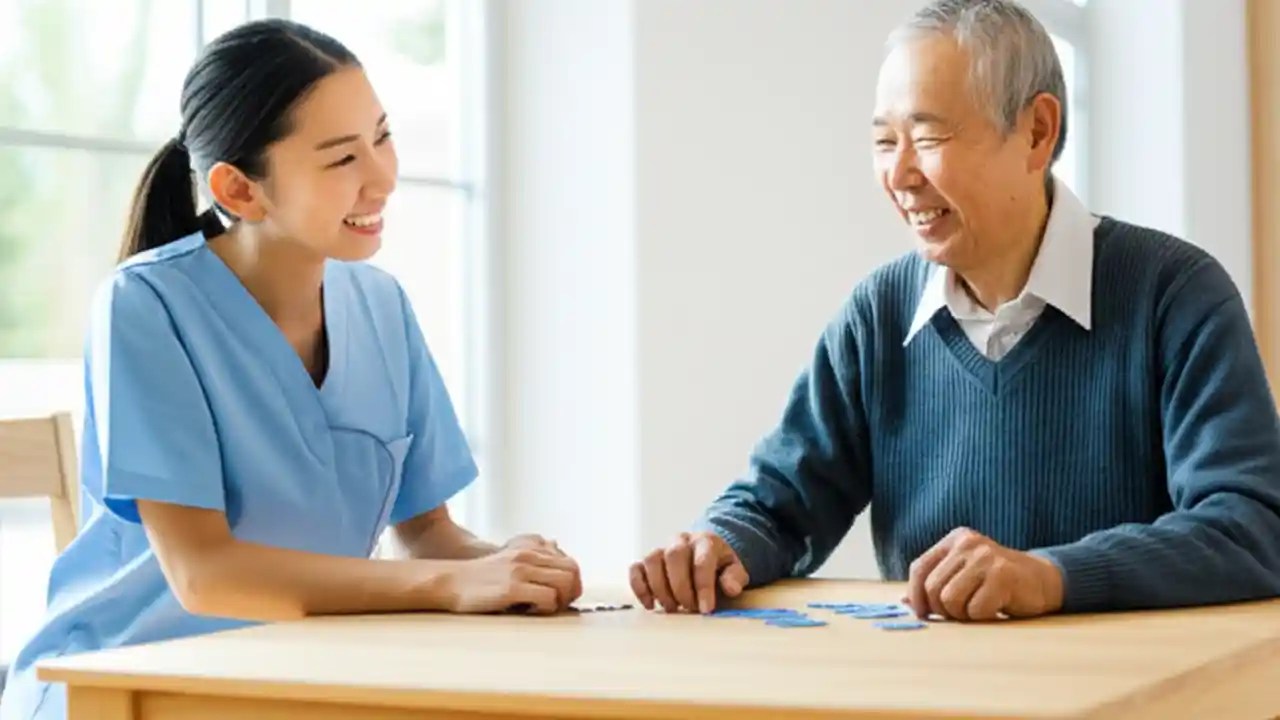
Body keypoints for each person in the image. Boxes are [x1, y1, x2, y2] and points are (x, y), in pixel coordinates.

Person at [0, 19, 581, 720]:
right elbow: (204, 574)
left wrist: (509, 568)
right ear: (240, 190)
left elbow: (428, 534)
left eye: (383, 137)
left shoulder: (382, 306)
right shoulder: (145, 306)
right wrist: (449, 586)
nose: (383, 178)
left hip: (291, 680)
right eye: (343, 159)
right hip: (125, 682)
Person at [630, 0, 1280, 621]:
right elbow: (779, 505)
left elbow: (1252, 527)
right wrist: (719, 545)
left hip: (1134, 684)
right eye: (885, 142)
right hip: (933, 680)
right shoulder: (877, 316)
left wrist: (1050, 576)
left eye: (928, 136)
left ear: (1037, 132)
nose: (900, 175)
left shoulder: (1175, 294)